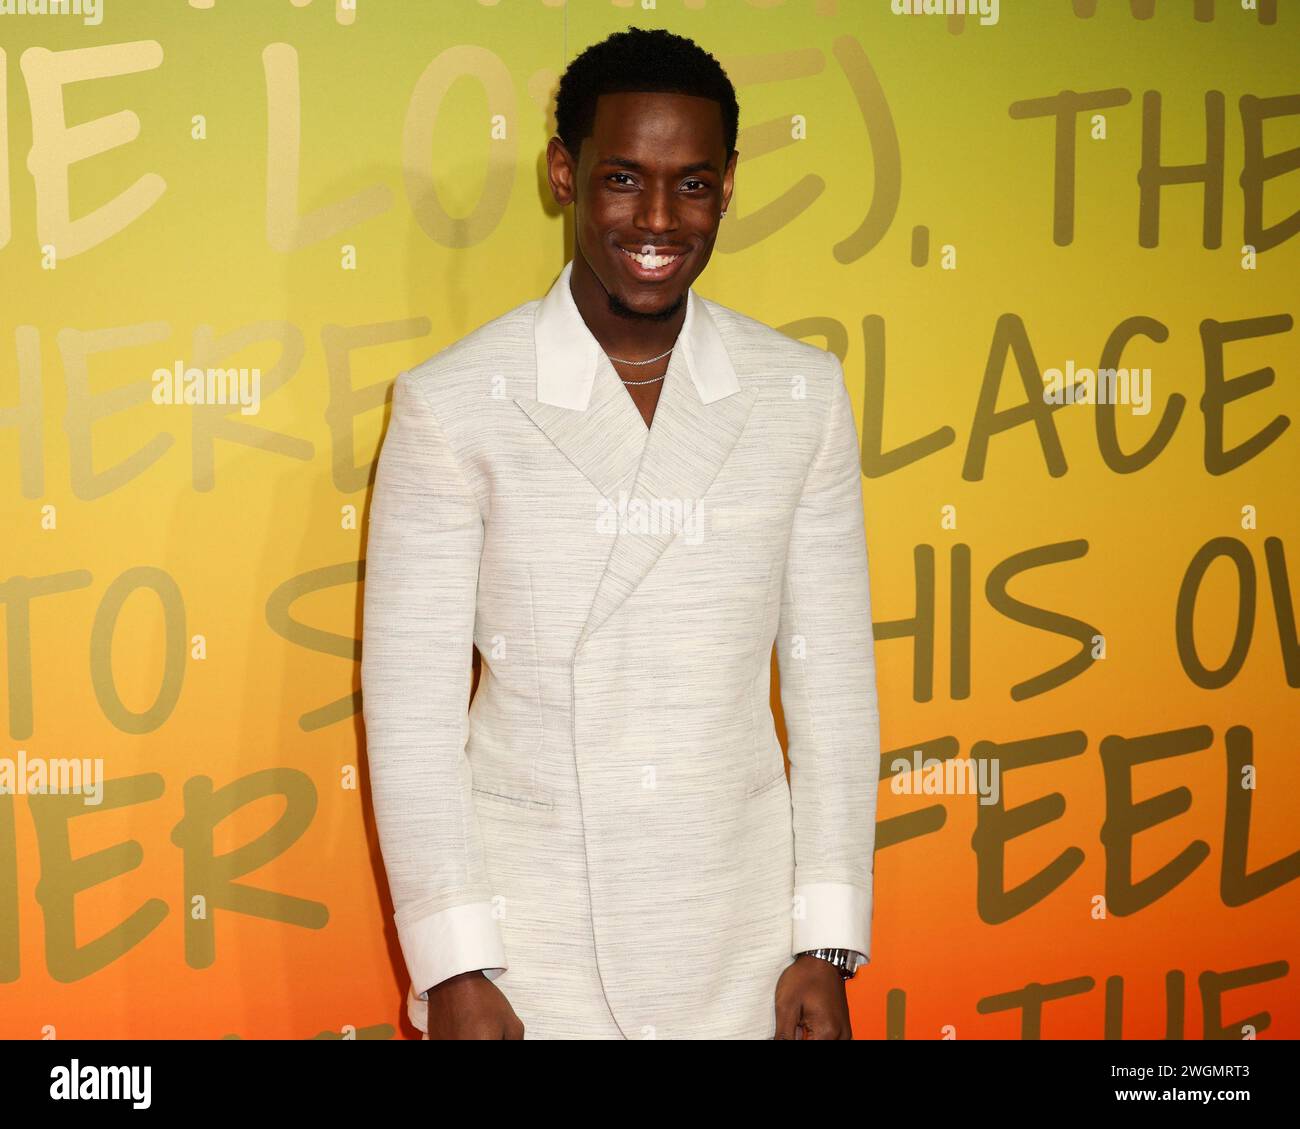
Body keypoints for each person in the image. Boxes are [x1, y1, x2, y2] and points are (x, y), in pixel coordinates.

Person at [360, 25, 881, 1040]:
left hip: (743, 942)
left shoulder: (799, 394)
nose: (656, 218)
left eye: (691, 185)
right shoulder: (453, 404)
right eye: (621, 178)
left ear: (728, 186)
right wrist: (456, 962)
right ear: (564, 175)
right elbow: (412, 712)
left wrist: (823, 940)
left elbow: (833, 688)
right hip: (528, 948)